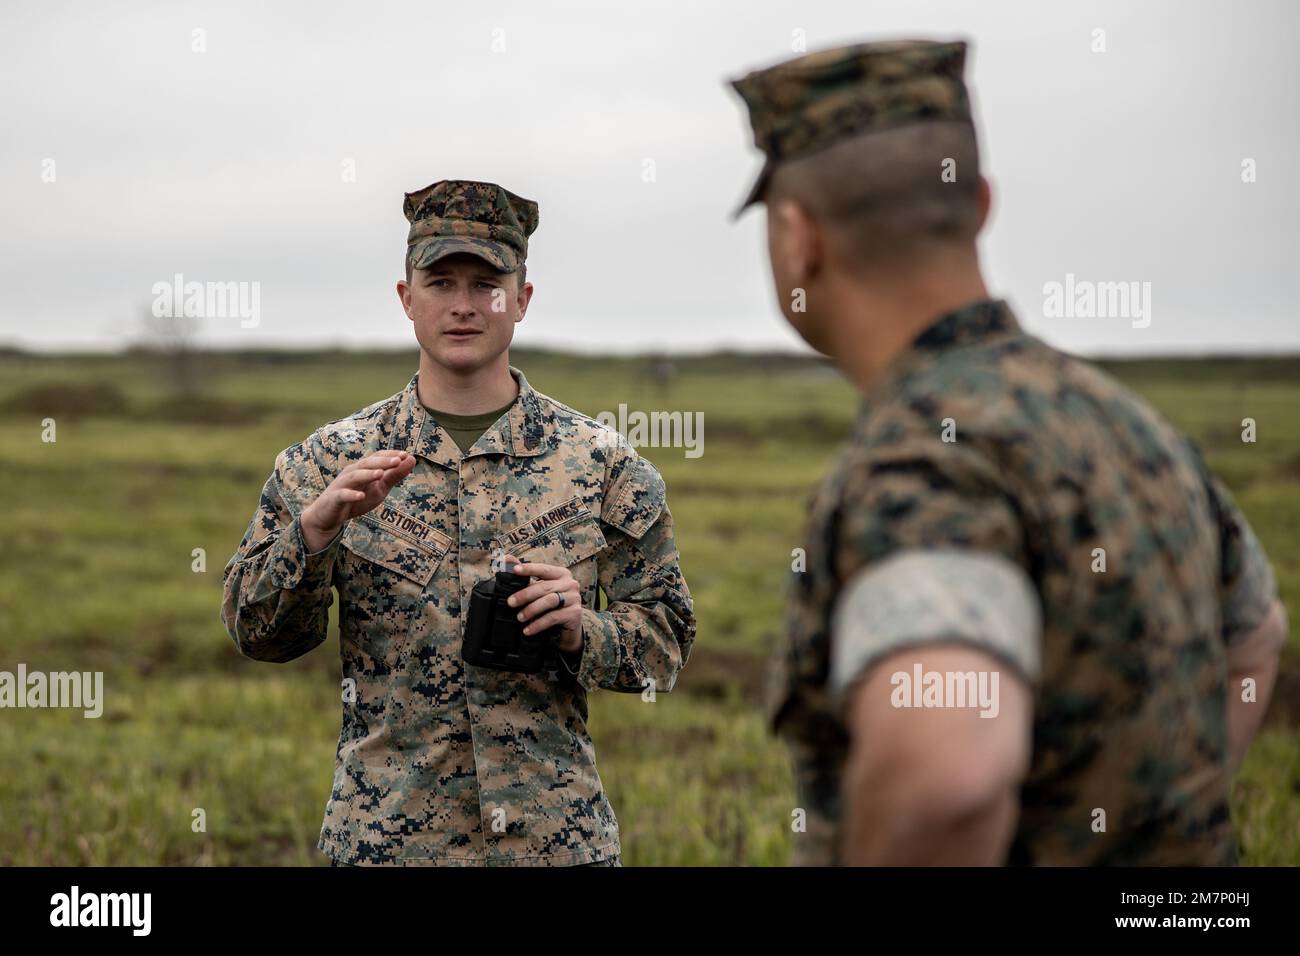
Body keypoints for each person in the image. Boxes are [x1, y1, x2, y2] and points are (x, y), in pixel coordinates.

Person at [728, 39, 1288, 865]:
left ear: (797, 239)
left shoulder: (924, 465)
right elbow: (1257, 633)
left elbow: (946, 784)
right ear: (981, 203)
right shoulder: (1132, 425)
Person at [220, 178, 696, 866]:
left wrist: (579, 629)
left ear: (523, 300)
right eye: (441, 282)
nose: (465, 306)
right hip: (387, 842)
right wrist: (312, 538)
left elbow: (665, 644)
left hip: (553, 845)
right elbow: (257, 634)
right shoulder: (329, 462)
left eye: (488, 284)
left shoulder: (603, 466)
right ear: (405, 297)